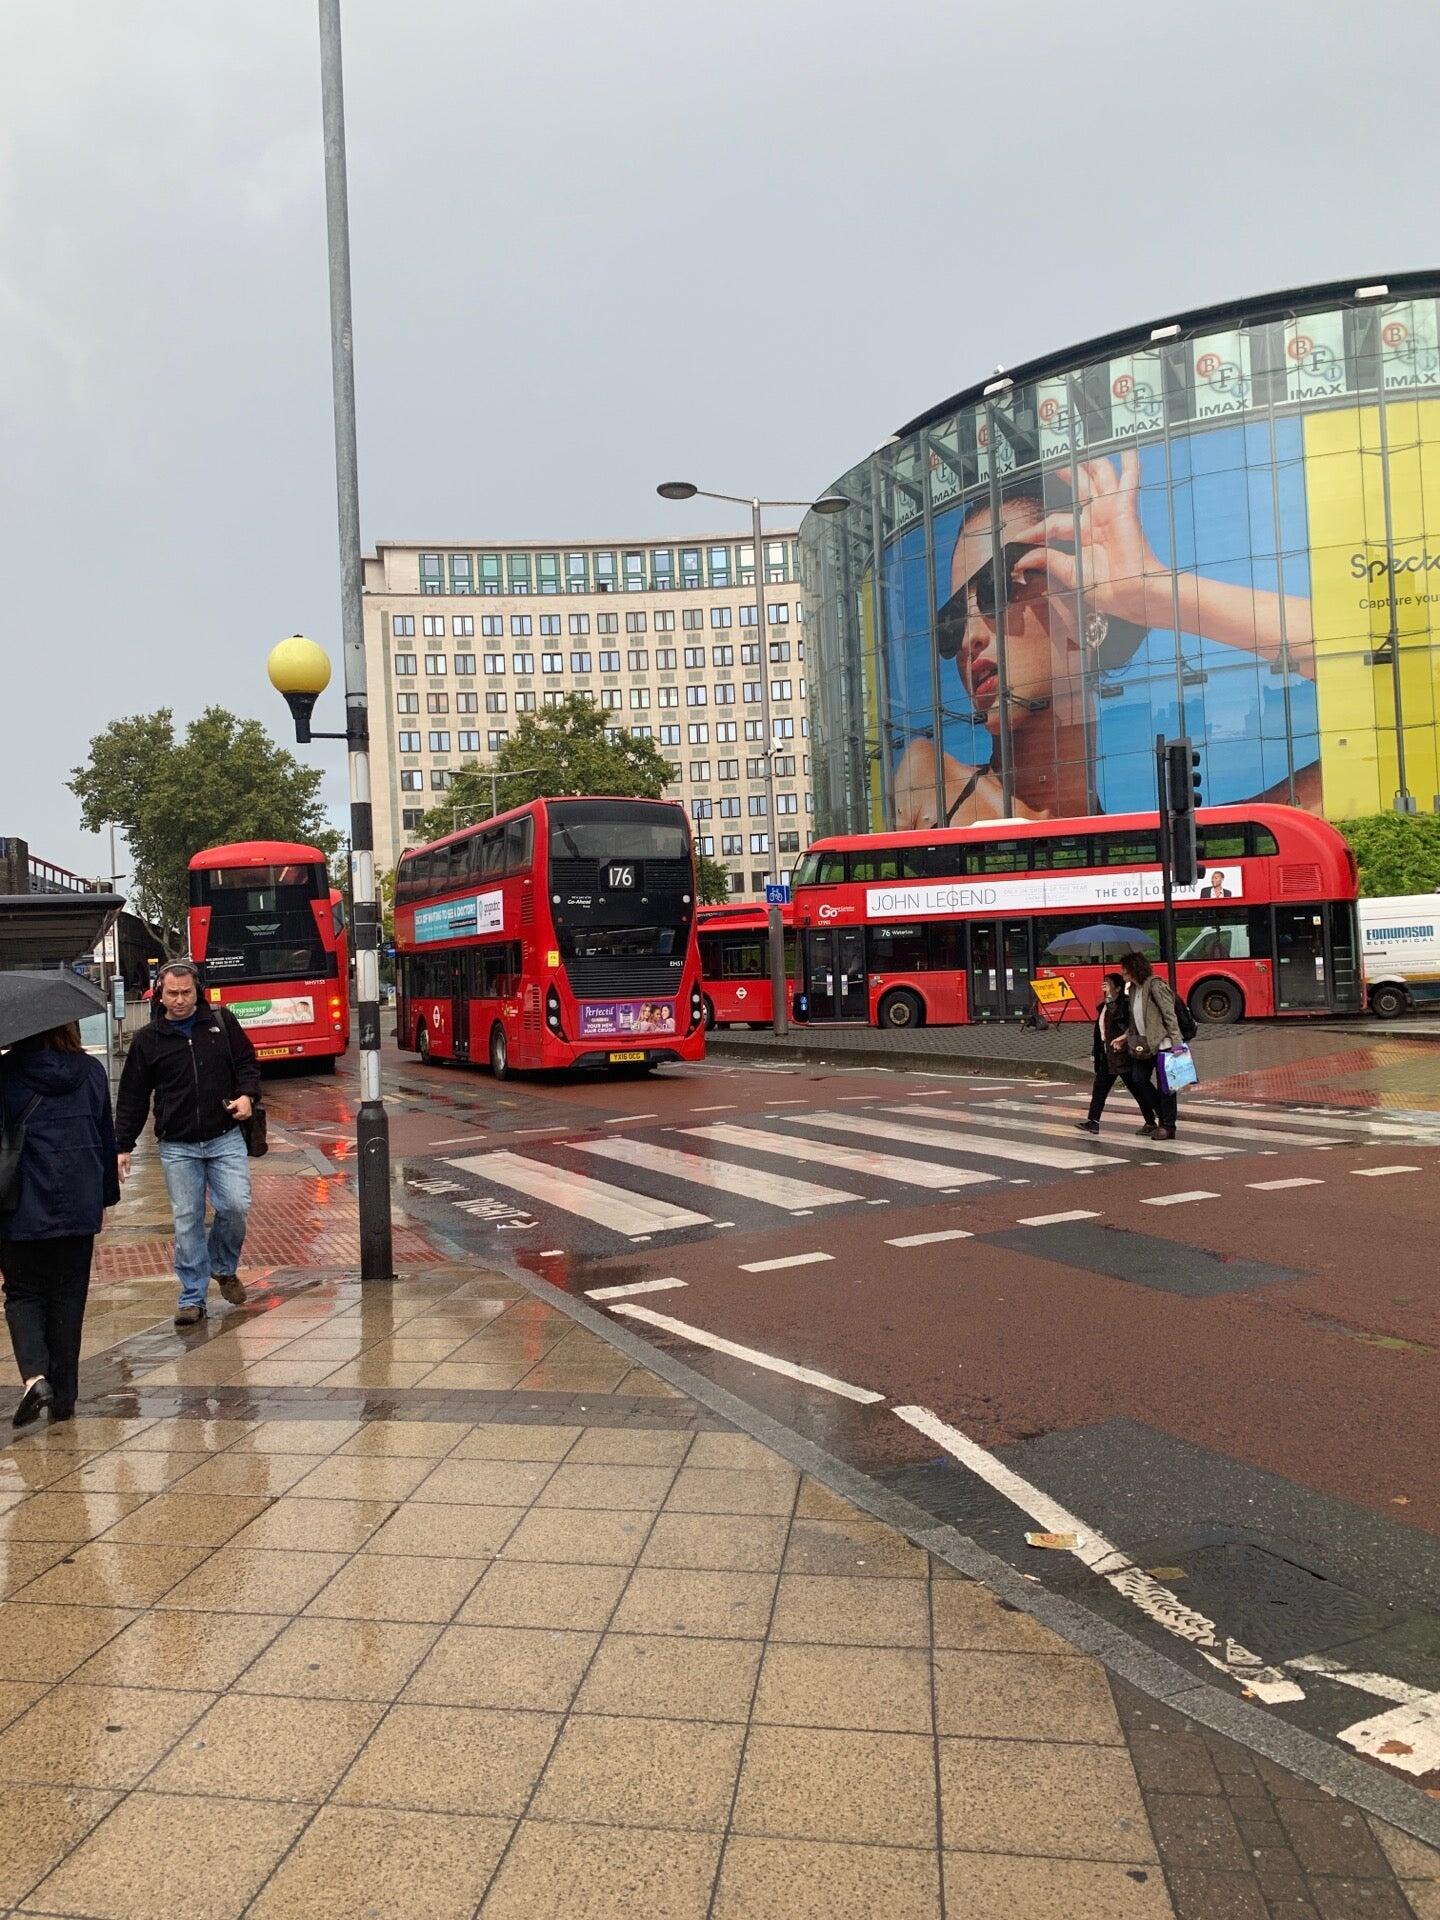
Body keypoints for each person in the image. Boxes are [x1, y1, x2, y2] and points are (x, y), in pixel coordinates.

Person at [893, 451, 1320, 828]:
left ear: (1088, 613)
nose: (969, 637)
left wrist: (1152, 592)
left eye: (998, 588)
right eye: (950, 622)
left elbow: (1367, 660)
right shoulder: (932, 783)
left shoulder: (1168, 846)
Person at [114, 960, 260, 1328]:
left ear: (199, 991)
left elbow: (247, 1064)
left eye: (186, 993)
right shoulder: (148, 1040)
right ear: (159, 994)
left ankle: (223, 1268)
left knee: (235, 1206)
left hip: (224, 1136)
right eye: (172, 993)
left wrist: (247, 1096)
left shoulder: (222, 1025)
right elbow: (132, 1095)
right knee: (186, 1219)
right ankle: (192, 1296)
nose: (179, 1000)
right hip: (177, 1145)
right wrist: (122, 1145)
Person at [0, 1023, 120, 1426]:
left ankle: (36, 1377)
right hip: (79, 1204)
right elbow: (106, 1137)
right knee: (69, 1299)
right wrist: (105, 1199)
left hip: (21, 1208)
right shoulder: (91, 1072)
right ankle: (64, 1400)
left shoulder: (6, 1074)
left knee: (23, 1294)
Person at [1118, 950, 1184, 1139]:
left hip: (1163, 1043)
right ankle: (1163, 1116)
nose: (1123, 974)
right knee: (1139, 1079)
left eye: (1125, 970)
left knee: (1166, 1086)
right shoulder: (1132, 989)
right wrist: (1124, 1037)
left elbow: (1169, 1014)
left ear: (1134, 969)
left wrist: (1176, 1042)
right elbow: (1134, 1018)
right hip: (1143, 1045)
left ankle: (1168, 1126)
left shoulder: (1155, 985)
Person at [1073, 973, 1150, 1133]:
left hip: (1121, 1054)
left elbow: (1121, 1021)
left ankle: (1151, 1121)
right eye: (1104, 983)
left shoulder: (1123, 1004)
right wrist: (1096, 1051)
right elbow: (1100, 1032)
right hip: (1107, 1055)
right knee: (1099, 1088)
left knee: (1135, 1089)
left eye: (1108, 984)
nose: (1104, 986)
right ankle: (1093, 1121)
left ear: (1118, 988)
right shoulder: (1105, 1006)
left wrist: (1109, 998)